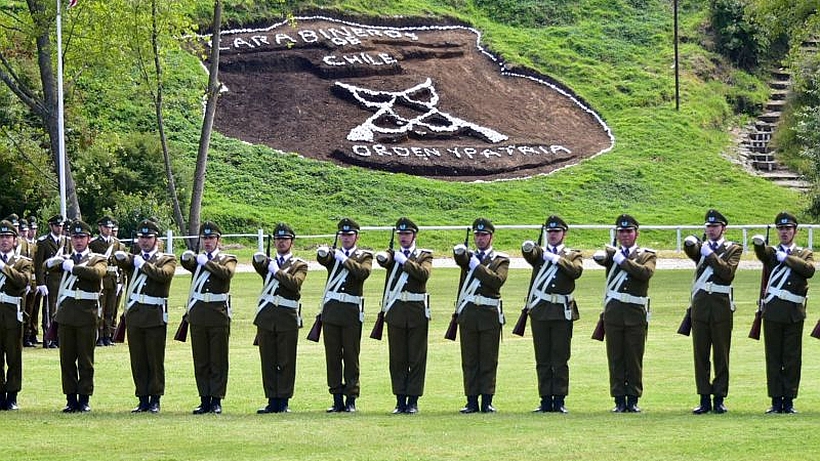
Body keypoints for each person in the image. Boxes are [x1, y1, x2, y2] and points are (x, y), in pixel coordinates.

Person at [752, 212, 815, 414]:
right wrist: (759, 244)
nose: (784, 232)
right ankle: (775, 400)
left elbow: (808, 270)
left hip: (794, 313)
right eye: (781, 229)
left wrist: (786, 258)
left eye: (788, 229)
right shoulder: (771, 253)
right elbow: (762, 253)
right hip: (772, 312)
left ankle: (789, 400)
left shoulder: (804, 253)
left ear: (795, 231)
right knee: (773, 358)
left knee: (792, 358)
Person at [592, 214, 656, 413]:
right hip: (614, 313)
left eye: (629, 231)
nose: (625, 235)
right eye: (621, 231)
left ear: (636, 233)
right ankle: (619, 398)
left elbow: (645, 273)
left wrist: (621, 259)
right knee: (616, 357)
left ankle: (633, 398)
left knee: (634, 357)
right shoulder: (611, 254)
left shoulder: (647, 255)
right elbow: (600, 259)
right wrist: (609, 256)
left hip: (635, 313)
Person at [521, 215, 583, 413]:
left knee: (560, 357)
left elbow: (575, 271)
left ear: (564, 233)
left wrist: (556, 259)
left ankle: (560, 399)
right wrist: (529, 247)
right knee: (543, 358)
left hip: (561, 312)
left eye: (556, 232)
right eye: (550, 232)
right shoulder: (540, 253)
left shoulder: (572, 254)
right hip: (540, 310)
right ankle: (545, 399)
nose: (552, 235)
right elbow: (529, 254)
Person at [113, 219, 176, 413]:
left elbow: (164, 276)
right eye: (141, 237)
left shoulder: (167, 259)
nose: (144, 241)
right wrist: (122, 256)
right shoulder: (134, 259)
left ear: (156, 239)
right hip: (135, 315)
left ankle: (155, 398)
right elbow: (119, 261)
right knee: (138, 359)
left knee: (154, 359)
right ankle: (142, 397)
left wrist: (144, 265)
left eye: (148, 237)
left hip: (154, 315)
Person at [682, 209, 741, 414]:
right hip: (700, 307)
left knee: (721, 355)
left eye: (715, 226)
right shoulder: (701, 247)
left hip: (721, 307)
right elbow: (691, 250)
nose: (711, 230)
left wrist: (711, 255)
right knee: (700, 354)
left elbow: (727, 273)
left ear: (723, 228)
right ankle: (704, 397)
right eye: (708, 226)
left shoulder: (733, 248)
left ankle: (719, 397)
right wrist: (691, 243)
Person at [45, 220, 107, 412]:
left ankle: (84, 398)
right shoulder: (65, 258)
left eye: (81, 237)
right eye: (75, 237)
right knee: (67, 359)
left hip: (87, 315)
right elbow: (47, 265)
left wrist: (74, 268)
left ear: (89, 239)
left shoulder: (97, 258)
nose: (78, 241)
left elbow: (98, 274)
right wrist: (60, 262)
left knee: (85, 359)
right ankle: (70, 398)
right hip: (66, 316)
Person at [374, 217, 433, 414]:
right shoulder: (393, 256)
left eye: (406, 234)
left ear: (414, 235)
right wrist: (387, 257)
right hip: (396, 312)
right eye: (400, 234)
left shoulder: (424, 255)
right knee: (397, 358)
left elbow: (423, 275)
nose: (403, 238)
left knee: (416, 358)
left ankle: (413, 400)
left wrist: (405, 262)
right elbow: (384, 260)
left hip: (416, 312)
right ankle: (400, 400)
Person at [453, 217, 509, 413]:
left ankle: (487, 399)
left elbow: (496, 281)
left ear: (491, 237)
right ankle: (471, 400)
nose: (480, 238)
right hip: (469, 314)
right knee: (469, 359)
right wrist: (461, 252)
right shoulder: (467, 258)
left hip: (488, 314)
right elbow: (458, 257)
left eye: (484, 235)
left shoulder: (500, 259)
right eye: (477, 235)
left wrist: (476, 266)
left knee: (488, 358)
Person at [316, 218, 372, 412]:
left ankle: (351, 398)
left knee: (350, 356)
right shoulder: (334, 255)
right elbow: (323, 259)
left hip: (350, 313)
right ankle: (336, 397)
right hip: (331, 312)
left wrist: (344, 258)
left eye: (349, 235)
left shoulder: (364, 256)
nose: (345, 238)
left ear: (356, 236)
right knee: (332, 357)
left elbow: (362, 273)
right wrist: (326, 253)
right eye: (342, 235)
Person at [180, 221, 236, 415]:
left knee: (218, 359)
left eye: (211, 238)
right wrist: (189, 257)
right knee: (201, 359)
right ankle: (204, 398)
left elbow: (226, 273)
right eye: (205, 238)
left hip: (218, 314)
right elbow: (186, 262)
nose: (208, 241)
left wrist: (207, 263)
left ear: (218, 240)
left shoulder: (228, 258)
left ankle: (217, 399)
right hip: (199, 314)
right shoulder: (198, 259)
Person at [252, 223, 308, 414]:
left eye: (284, 239)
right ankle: (271, 400)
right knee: (267, 360)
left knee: (286, 360)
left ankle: (283, 400)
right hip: (267, 317)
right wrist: (264, 262)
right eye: (278, 239)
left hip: (287, 317)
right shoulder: (267, 263)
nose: (281, 242)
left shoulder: (299, 264)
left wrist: (276, 271)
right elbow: (257, 263)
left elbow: (294, 284)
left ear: (291, 241)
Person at [0, 220, 33, 410]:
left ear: (15, 240)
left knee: (14, 356)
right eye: (1, 237)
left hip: (13, 314)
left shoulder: (23, 262)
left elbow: (22, 281)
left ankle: (12, 395)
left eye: (7, 237)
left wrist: (4, 268)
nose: (4, 241)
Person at [89, 215, 126, 346]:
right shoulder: (93, 244)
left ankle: (108, 335)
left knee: (111, 309)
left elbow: (122, 264)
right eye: (106, 227)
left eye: (110, 227)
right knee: (100, 309)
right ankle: (99, 335)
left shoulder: (117, 244)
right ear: (100, 228)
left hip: (114, 279)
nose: (108, 230)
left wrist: (122, 281)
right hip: (102, 279)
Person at [34, 214, 70, 349]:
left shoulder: (66, 241)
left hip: (63, 280)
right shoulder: (43, 242)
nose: (59, 228)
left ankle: (60, 337)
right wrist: (40, 283)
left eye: (61, 226)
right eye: (56, 226)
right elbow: (38, 265)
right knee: (49, 309)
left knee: (62, 309)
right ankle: (48, 337)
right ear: (51, 226)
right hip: (50, 280)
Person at [23, 217, 39, 347]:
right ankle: (24, 335)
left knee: (33, 309)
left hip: (33, 280)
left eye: (34, 229)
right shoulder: (20, 244)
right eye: (30, 229)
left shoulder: (35, 245)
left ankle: (31, 333)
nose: (31, 232)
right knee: (24, 309)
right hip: (23, 280)